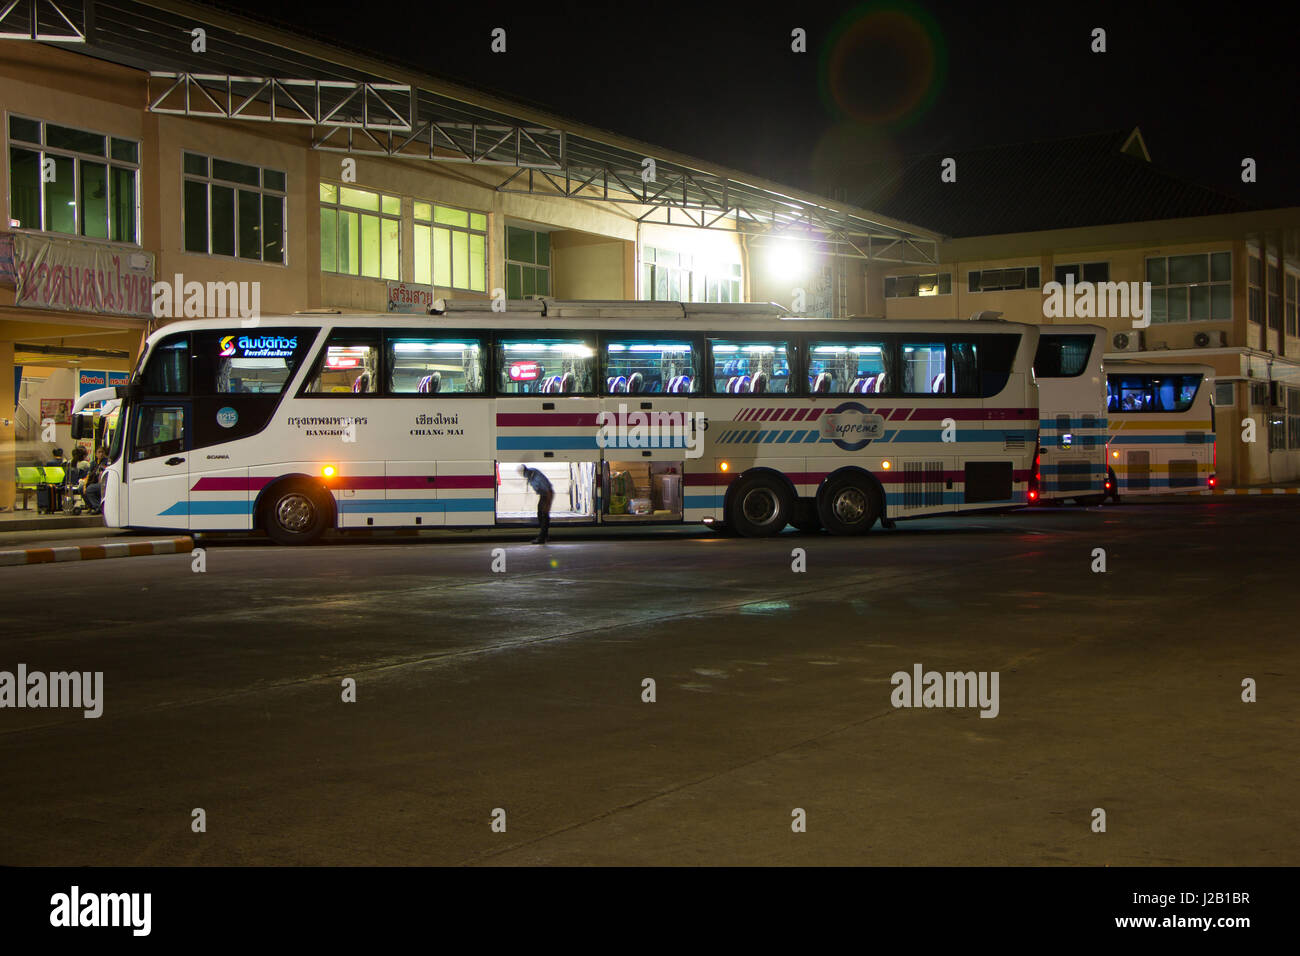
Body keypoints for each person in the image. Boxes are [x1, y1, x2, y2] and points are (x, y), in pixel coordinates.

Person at [517, 464, 554, 544]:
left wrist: (548, 505)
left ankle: (541, 539)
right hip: (543, 495)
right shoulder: (531, 473)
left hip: (547, 494)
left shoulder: (537, 477)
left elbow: (548, 491)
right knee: (540, 514)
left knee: (544, 515)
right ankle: (545, 536)